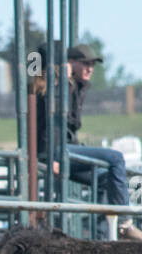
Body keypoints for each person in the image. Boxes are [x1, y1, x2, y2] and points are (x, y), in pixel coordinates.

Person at [35, 43, 130, 236]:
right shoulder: (54, 88)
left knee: (105, 178)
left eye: (92, 65)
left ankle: (103, 232)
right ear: (68, 64)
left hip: (63, 148)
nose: (90, 69)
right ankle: (125, 220)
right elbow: (51, 125)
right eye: (85, 63)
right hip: (56, 150)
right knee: (116, 158)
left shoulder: (67, 87)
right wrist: (52, 157)